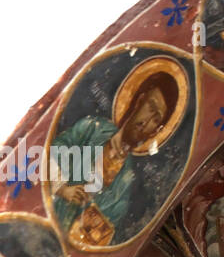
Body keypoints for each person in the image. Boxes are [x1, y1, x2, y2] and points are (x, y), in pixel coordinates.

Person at [51, 67, 183, 247]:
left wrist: (93, 232)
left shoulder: (125, 184)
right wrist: (62, 188)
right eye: (150, 107)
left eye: (156, 119)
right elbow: (50, 151)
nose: (146, 121)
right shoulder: (93, 128)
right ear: (139, 100)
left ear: (156, 131)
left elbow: (105, 235)